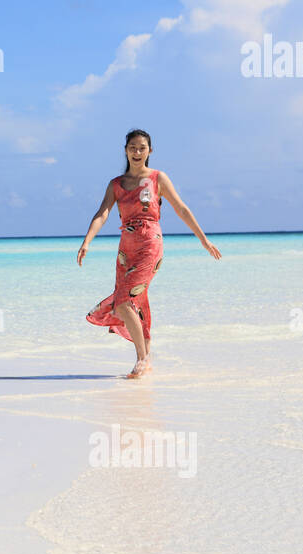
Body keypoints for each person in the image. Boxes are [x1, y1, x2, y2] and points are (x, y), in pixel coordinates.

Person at [76, 129, 221, 378]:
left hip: (150, 243)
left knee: (122, 302)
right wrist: (87, 241)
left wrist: (203, 240)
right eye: (132, 147)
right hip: (126, 249)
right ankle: (146, 360)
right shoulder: (116, 184)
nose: (137, 152)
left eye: (142, 148)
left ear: (149, 151)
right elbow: (103, 213)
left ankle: (142, 359)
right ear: (125, 150)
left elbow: (182, 209)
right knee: (137, 302)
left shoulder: (158, 178)